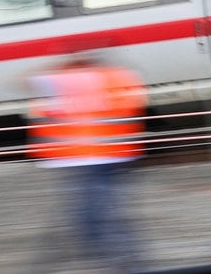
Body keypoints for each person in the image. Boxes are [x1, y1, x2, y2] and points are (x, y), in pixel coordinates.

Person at [26, 54, 147, 272]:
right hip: (111, 156)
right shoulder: (118, 75)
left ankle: (126, 264)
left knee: (93, 218)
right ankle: (126, 262)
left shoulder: (59, 79)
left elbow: (22, 82)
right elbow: (134, 107)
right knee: (101, 216)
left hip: (82, 158)